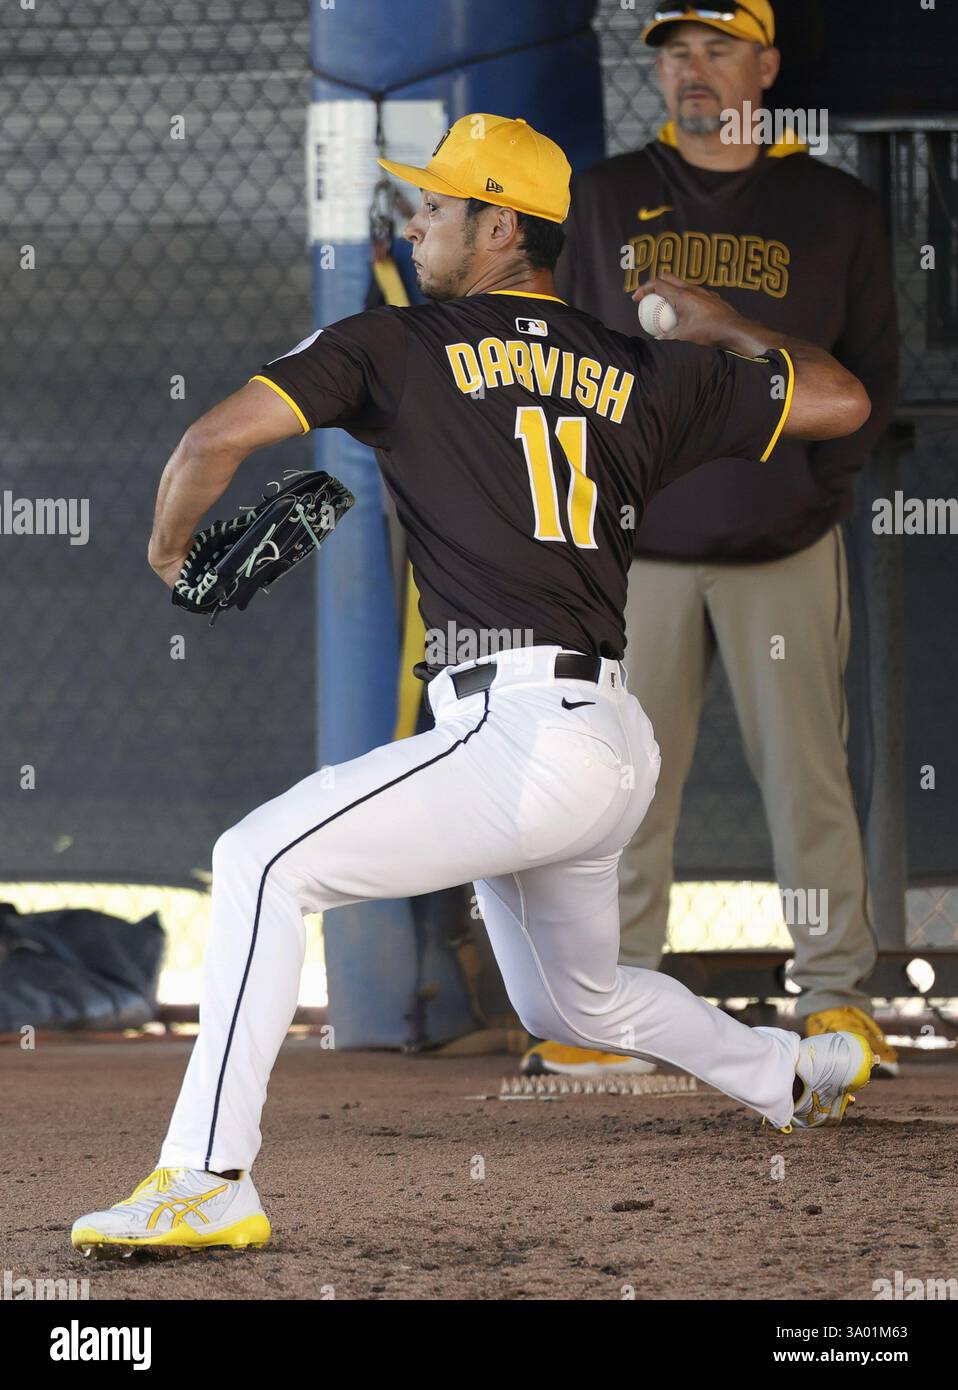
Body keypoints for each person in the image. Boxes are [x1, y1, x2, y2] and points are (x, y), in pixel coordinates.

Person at [72, 112, 873, 1256]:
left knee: (259, 860)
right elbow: (841, 401)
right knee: (574, 1003)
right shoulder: (646, 368)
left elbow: (210, 441)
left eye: (436, 206)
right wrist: (724, 324)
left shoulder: (396, 343)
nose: (415, 221)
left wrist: (166, 555)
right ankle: (790, 1073)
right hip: (605, 738)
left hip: (517, 732)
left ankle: (207, 1177)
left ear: (501, 226)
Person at [523, 1, 900, 1084]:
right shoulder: (596, 199)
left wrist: (802, 495)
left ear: (766, 66)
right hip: (637, 545)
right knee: (620, 782)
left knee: (807, 777)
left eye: (718, 48)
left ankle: (834, 997)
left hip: (780, 544)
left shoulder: (834, 208)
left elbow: (865, 382)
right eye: (677, 52)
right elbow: (561, 361)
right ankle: (610, 998)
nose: (695, 69)